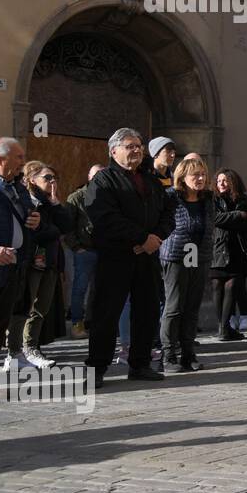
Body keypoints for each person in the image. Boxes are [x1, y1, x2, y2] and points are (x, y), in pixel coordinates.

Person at [84, 128, 175, 388]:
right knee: (107, 313)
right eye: (129, 146)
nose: (136, 150)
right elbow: (105, 218)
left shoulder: (150, 180)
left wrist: (155, 238)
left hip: (147, 257)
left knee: (146, 311)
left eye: (139, 146)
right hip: (115, 257)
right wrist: (139, 239)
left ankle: (140, 364)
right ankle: (97, 368)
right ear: (114, 151)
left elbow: (169, 212)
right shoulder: (104, 181)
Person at [5, 161, 73, 371]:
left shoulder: (48, 202)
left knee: (41, 308)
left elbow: (67, 226)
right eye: (47, 178)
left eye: (54, 178)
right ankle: (14, 351)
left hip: (50, 261)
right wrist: (51, 230)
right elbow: (36, 232)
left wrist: (55, 203)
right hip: (30, 262)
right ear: (32, 179)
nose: (52, 182)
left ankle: (31, 348)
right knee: (24, 307)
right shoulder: (26, 200)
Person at [158, 157, 210, 372]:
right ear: (182, 177)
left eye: (202, 175)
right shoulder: (171, 196)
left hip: (199, 254)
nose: (199, 179)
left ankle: (189, 355)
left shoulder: (208, 198)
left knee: (192, 307)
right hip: (176, 254)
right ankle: (168, 356)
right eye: (195, 175)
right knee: (174, 307)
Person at [0, 138, 32, 374]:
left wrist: (33, 220)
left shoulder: (17, 187)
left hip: (13, 269)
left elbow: (25, 214)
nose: (22, 162)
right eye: (18, 157)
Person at [208, 168, 247, 342]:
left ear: (233, 182)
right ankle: (223, 326)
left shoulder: (245, 200)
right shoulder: (211, 199)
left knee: (231, 287)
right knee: (216, 287)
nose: (221, 183)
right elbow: (215, 219)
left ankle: (224, 327)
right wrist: (238, 215)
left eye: (225, 180)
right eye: (219, 180)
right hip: (217, 248)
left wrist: (233, 219)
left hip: (238, 249)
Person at [64, 164, 105, 338]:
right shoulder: (76, 198)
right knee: (80, 288)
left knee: (101, 289)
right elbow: (67, 226)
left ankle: (95, 322)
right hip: (85, 251)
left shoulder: (109, 198)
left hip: (104, 251)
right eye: (95, 175)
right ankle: (76, 324)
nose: (98, 179)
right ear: (89, 176)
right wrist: (76, 247)